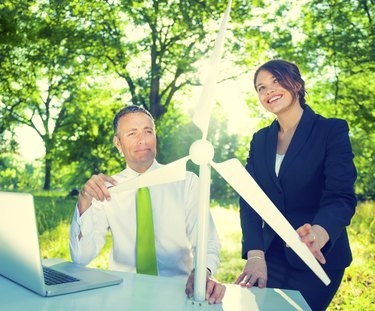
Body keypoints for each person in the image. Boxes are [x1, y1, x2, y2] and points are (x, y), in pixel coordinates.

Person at [69, 105, 225, 304]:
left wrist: (202, 272)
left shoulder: (186, 182)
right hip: (122, 293)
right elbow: (81, 257)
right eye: (132, 133)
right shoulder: (106, 189)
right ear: (118, 142)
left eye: (148, 131)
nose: (142, 139)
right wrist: (84, 201)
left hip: (179, 292)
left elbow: (207, 242)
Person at [235, 60, 357, 311]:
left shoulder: (331, 130)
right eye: (261, 87)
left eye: (276, 81)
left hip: (318, 257)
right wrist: (255, 254)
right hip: (272, 256)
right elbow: (249, 200)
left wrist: (320, 233)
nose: (268, 91)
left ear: (297, 84)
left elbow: (340, 195)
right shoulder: (260, 141)